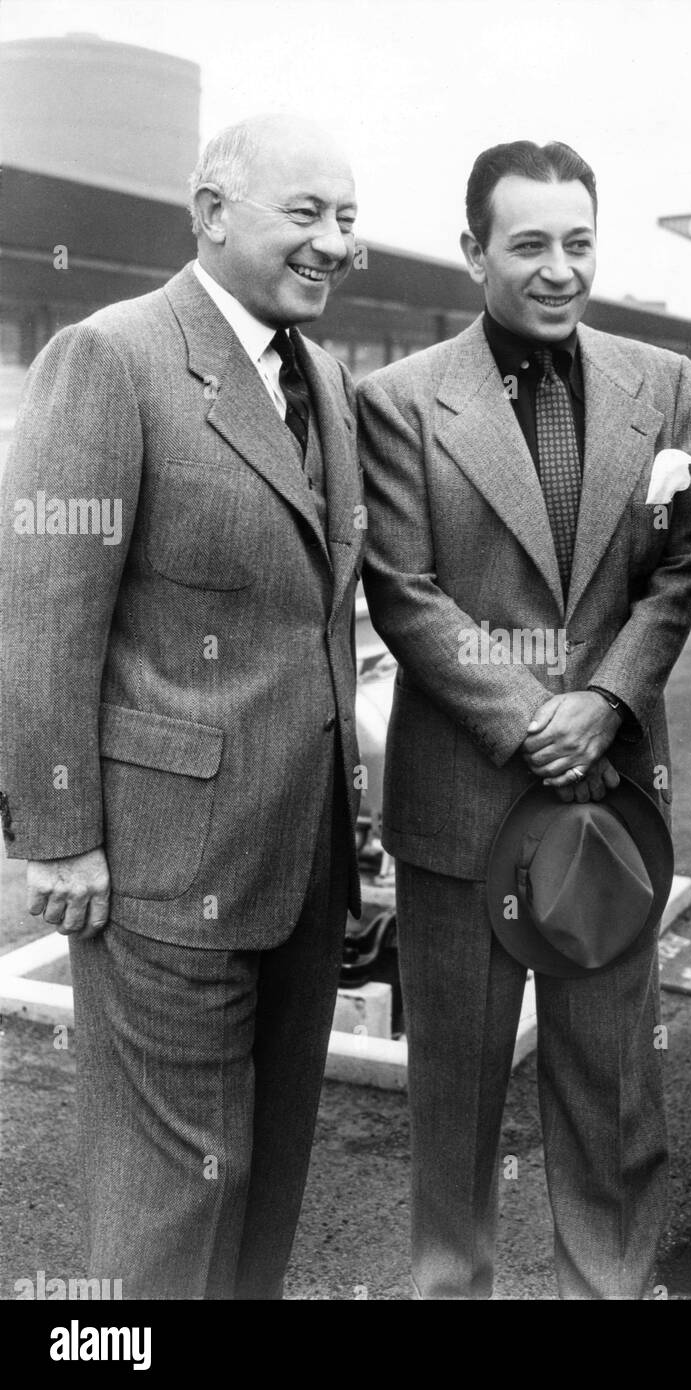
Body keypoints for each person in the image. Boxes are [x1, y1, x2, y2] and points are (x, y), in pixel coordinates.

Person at [0, 114, 365, 1299]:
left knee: (263, 1191)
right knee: (171, 1205)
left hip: (300, 867)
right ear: (210, 212)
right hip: (160, 875)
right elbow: (45, 612)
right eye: (304, 214)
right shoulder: (112, 356)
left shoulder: (323, 376)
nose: (334, 244)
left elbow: (321, 617)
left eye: (347, 219)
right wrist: (61, 838)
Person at [357, 139, 691, 1299]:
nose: (560, 270)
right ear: (473, 254)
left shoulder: (663, 384)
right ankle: (450, 1290)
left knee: (610, 1093)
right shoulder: (399, 401)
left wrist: (604, 704)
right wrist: (531, 719)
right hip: (465, 804)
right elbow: (404, 590)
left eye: (578, 242)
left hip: (607, 796)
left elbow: (678, 569)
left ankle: (603, 1289)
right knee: (453, 1101)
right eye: (529, 245)